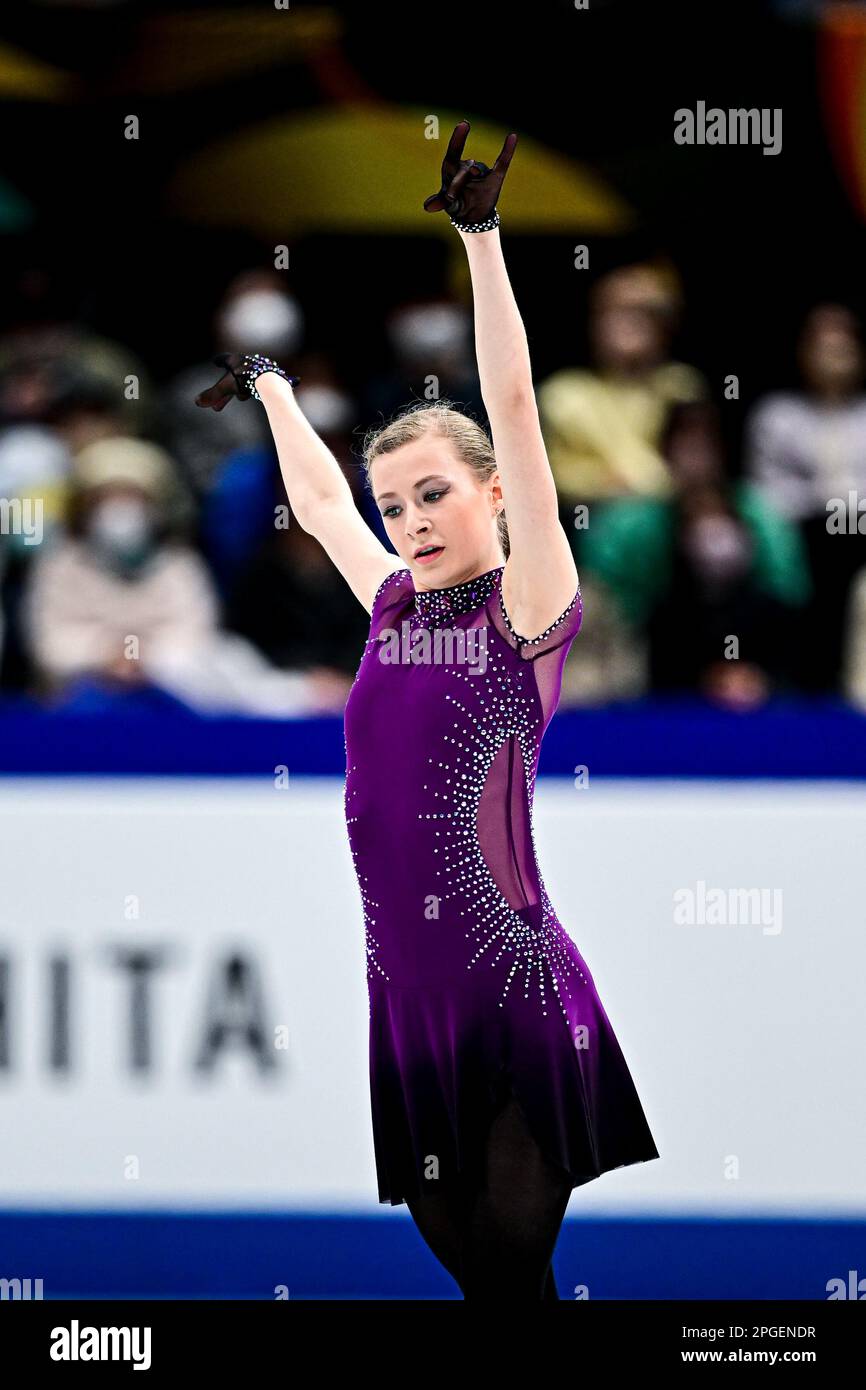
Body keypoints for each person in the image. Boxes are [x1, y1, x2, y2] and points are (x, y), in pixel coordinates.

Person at [195, 120, 659, 1301]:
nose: (408, 521)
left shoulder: (525, 601)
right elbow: (314, 496)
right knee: (482, 1284)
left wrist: (482, 238)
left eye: (434, 493)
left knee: (510, 1266)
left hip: (508, 982)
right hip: (405, 996)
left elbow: (507, 398)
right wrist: (272, 388)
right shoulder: (390, 604)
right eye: (395, 504)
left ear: (494, 490)